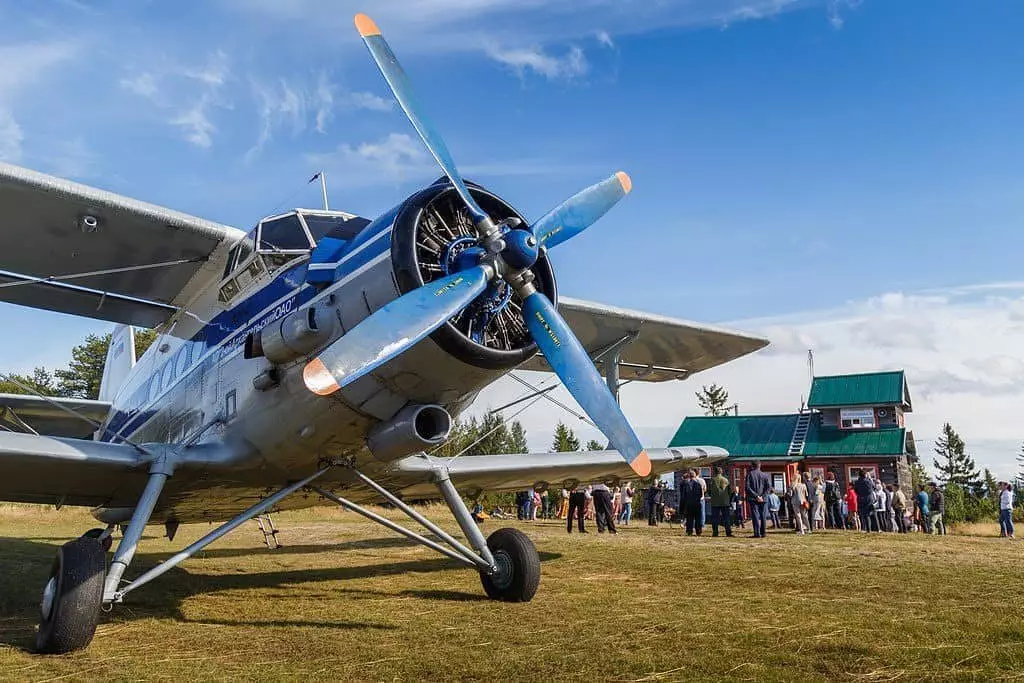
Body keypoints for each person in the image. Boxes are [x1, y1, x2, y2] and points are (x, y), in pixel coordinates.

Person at [745, 461, 772, 538]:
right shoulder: (764, 475)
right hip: (764, 499)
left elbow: (747, 488)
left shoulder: (749, 475)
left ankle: (757, 533)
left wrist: (756, 496)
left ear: (752, 466)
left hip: (753, 499)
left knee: (755, 515)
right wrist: (762, 496)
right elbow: (768, 487)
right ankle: (763, 533)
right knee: (763, 516)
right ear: (759, 466)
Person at [708, 466, 733, 537]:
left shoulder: (712, 480)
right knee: (726, 518)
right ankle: (728, 532)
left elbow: (709, 491)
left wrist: (713, 496)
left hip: (715, 502)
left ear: (714, 472)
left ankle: (715, 532)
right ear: (721, 472)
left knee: (715, 518)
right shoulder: (726, 480)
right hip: (725, 502)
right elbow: (729, 491)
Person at [679, 470, 703, 536]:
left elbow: (683, 496)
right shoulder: (698, 484)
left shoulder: (686, 485)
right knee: (698, 518)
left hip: (689, 503)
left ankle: (689, 531)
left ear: (689, 476)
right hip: (697, 503)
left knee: (689, 518)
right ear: (695, 476)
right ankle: (698, 531)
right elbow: (701, 494)